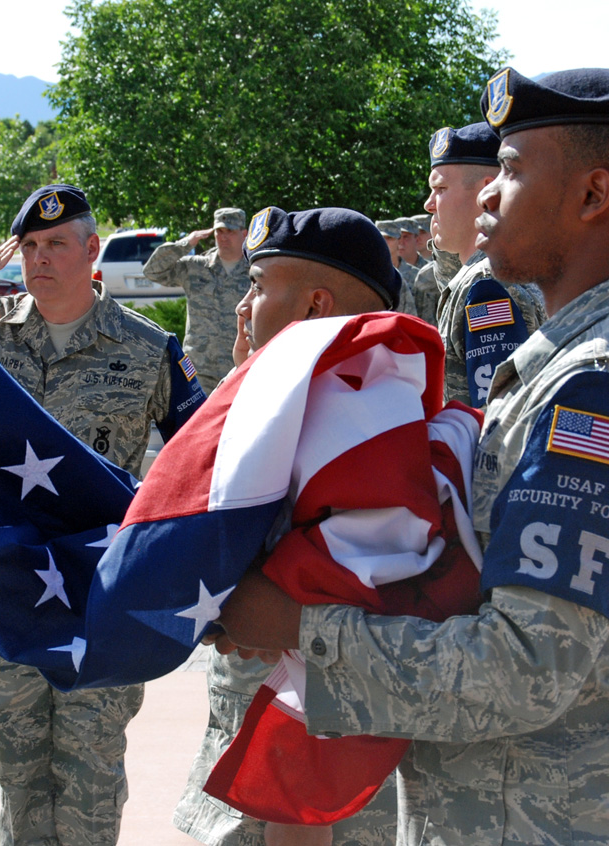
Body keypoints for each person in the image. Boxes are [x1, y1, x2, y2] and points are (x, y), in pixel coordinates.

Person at [211, 66, 609, 844]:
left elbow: (522, 668)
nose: (485, 193)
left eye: (511, 170)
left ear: (593, 196)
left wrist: (297, 625)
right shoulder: (563, 368)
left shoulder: (595, 391)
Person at [0, 184, 196, 846]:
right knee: (20, 778)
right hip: (7, 592)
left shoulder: (146, 349)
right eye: (28, 246)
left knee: (89, 779)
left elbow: (197, 453)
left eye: (56, 244)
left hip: (100, 597)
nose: (40, 258)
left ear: (91, 251)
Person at [174, 207, 401, 846]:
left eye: (259, 285)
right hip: (278, 719)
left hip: (298, 739)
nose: (243, 305)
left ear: (313, 305)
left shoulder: (333, 424)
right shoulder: (365, 399)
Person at [426, 121, 545, 407]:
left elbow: (493, 420)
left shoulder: (488, 284)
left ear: (486, 192)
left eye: (440, 188)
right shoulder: (491, 271)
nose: (429, 204)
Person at [142, 207, 250, 393]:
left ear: (244, 233)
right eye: (219, 231)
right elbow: (152, 271)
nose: (223, 237)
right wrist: (186, 243)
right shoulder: (196, 267)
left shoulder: (254, 272)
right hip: (198, 368)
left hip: (240, 366)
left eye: (230, 231)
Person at [374, 220, 417, 316]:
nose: (384, 242)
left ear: (399, 241)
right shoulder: (371, 274)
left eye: (389, 238)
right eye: (381, 237)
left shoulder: (416, 275)